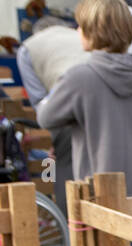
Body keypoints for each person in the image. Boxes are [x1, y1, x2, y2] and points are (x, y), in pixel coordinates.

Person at [35, 0, 132, 196]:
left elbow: (46, 117)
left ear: (90, 31)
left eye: (80, 25)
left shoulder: (78, 77)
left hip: (100, 193)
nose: (77, 30)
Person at [17, 18, 88, 209]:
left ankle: (70, 226)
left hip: (67, 105)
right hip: (102, 103)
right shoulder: (81, 35)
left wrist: (55, 140)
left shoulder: (28, 49)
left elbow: (41, 102)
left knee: (65, 166)